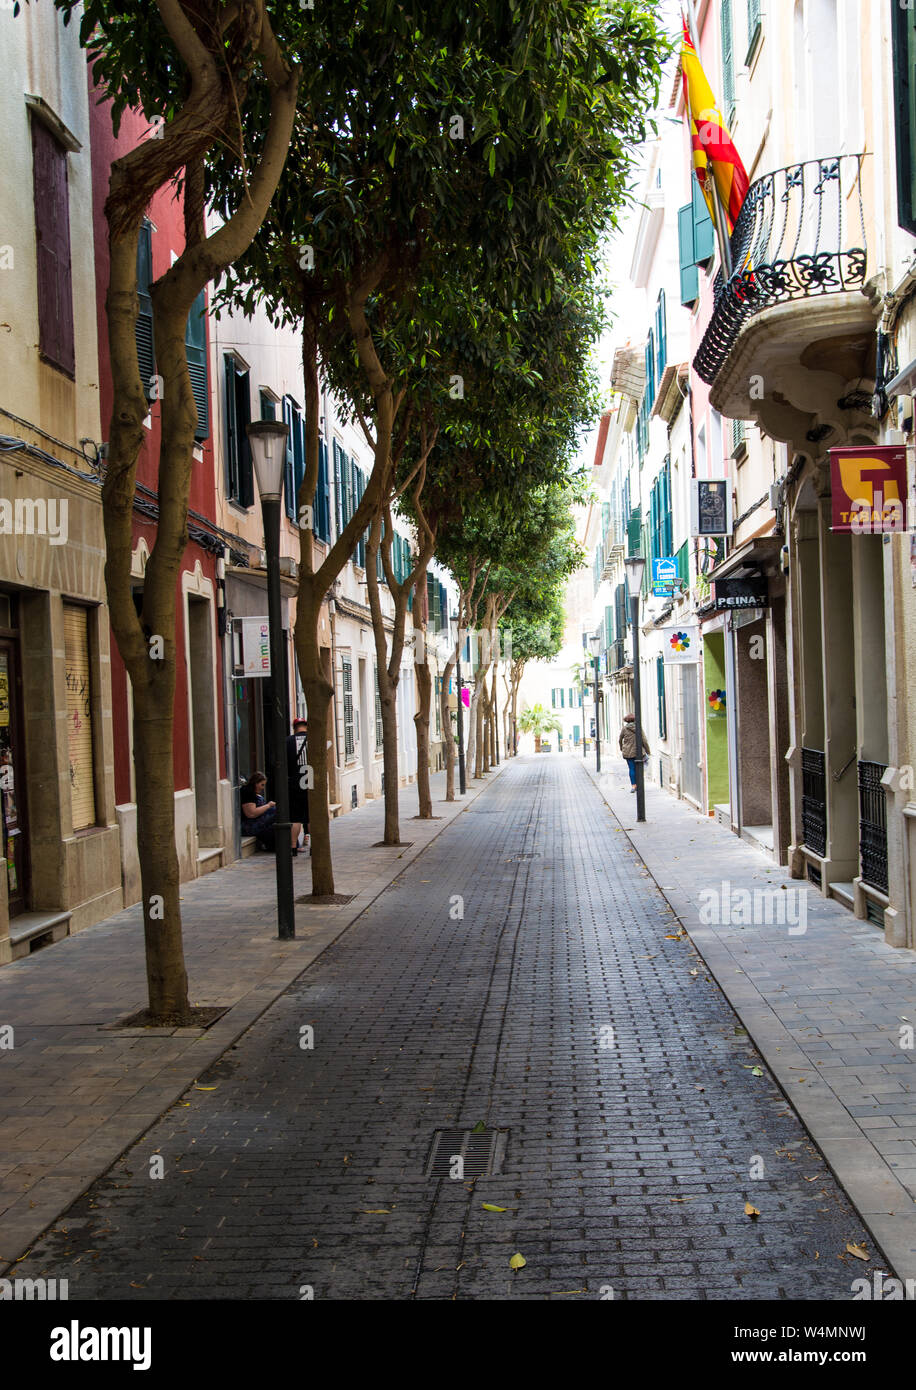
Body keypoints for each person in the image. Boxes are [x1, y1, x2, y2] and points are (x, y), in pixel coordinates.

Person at [286, 717, 309, 855]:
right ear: (306, 726)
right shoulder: (313, 739)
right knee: (311, 816)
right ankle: (314, 848)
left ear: (294, 727)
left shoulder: (288, 741)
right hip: (310, 781)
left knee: (296, 817)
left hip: (295, 782)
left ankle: (293, 847)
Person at [240, 772, 277, 850]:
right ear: (255, 783)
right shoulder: (247, 792)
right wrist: (268, 805)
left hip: (254, 823)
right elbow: (251, 813)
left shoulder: (254, 793)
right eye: (262, 785)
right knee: (276, 812)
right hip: (248, 826)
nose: (263, 788)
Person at [618, 713, 650, 793]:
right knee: (639, 769)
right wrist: (648, 750)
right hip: (638, 752)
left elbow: (620, 739)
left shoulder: (624, 728)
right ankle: (639, 785)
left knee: (631, 769)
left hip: (628, 752)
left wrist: (622, 748)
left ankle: (633, 786)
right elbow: (644, 740)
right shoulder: (638, 728)